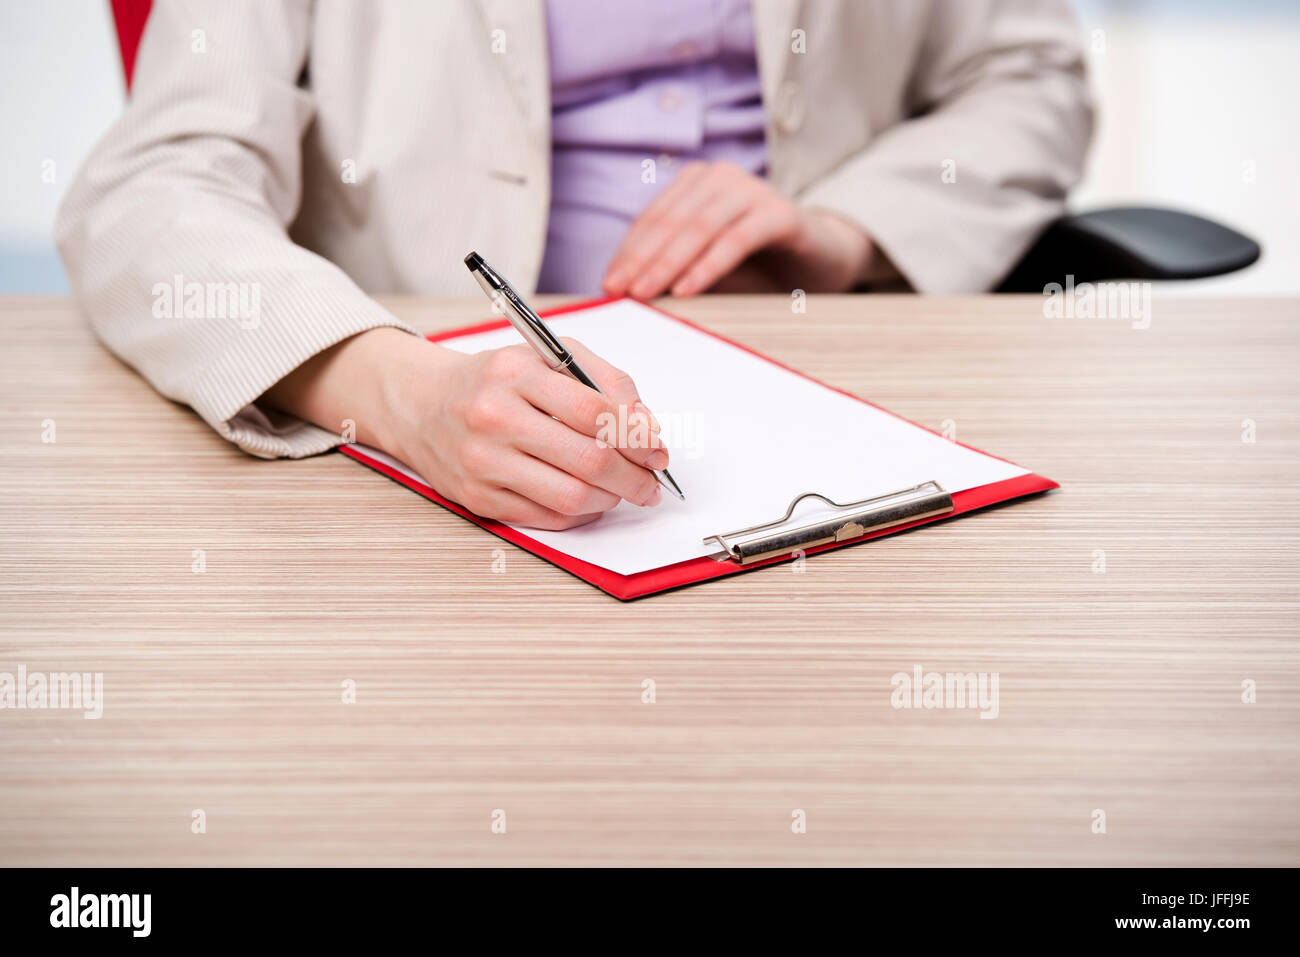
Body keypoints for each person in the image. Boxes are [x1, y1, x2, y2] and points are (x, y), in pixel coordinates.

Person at [56, 0, 1092, 529]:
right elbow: (152, 186)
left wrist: (850, 226)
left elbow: (1030, 78)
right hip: (428, 415)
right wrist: (398, 392)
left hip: (841, 360)